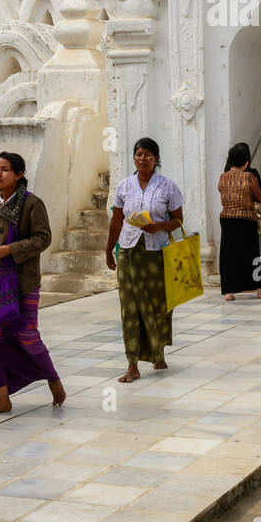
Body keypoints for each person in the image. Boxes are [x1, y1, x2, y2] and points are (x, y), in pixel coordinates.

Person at [0, 151, 65, 416]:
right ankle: (3, 400)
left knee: (28, 337)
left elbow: (44, 238)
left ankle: (53, 379)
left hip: (24, 283)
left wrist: (10, 250)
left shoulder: (32, 204)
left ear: (19, 174)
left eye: (5, 169)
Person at [105, 138, 184, 383]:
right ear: (134, 158)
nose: (143, 158)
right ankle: (132, 363)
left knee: (158, 303)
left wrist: (158, 225)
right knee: (129, 307)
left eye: (148, 155)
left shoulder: (168, 186)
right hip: (128, 250)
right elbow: (117, 221)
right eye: (139, 154)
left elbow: (178, 220)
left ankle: (157, 351)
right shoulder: (124, 186)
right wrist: (109, 250)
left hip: (156, 251)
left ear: (157, 159)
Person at [218, 141, 261, 301]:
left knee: (228, 254)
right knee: (253, 254)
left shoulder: (223, 177)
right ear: (246, 162)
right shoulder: (248, 176)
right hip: (246, 219)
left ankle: (228, 291)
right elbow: (260, 196)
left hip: (226, 218)